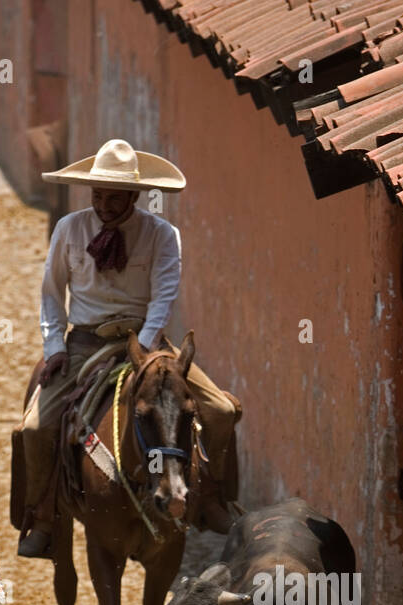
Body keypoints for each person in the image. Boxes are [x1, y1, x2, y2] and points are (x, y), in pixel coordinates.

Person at [18, 138, 240, 557]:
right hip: (85, 343)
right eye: (97, 195)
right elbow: (51, 293)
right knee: (34, 428)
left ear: (134, 196)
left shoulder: (161, 235)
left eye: (113, 197)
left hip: (147, 343)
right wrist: (54, 347)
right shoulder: (69, 229)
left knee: (221, 411)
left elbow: (164, 296)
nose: (103, 204)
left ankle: (209, 497)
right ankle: (43, 514)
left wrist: (145, 344)